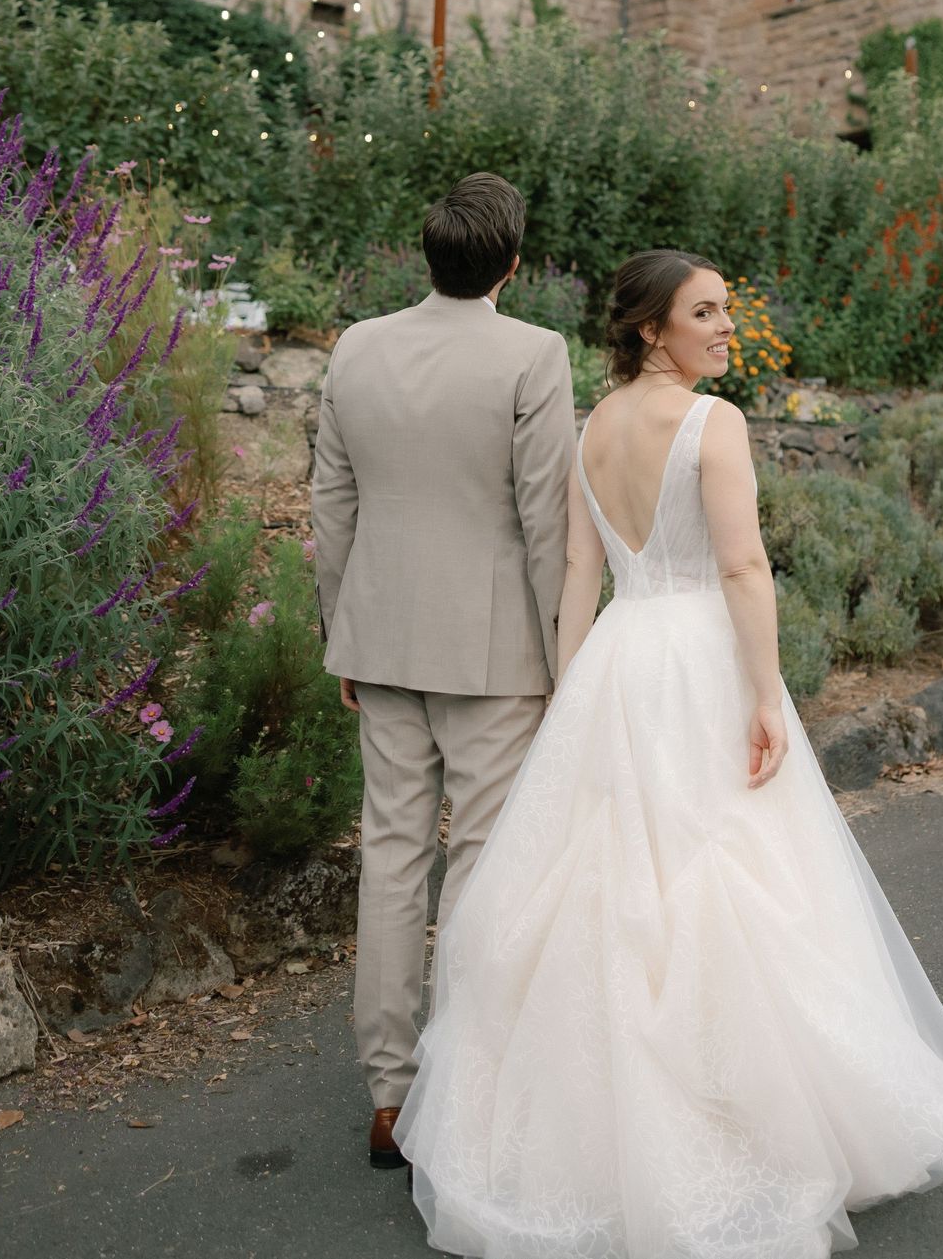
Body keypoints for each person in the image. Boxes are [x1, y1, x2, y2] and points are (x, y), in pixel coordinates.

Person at [393, 247, 943, 1257]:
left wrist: (573, 690)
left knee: (606, 887)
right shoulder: (715, 422)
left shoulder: (593, 427)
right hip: (698, 657)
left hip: (621, 659)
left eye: (726, 310)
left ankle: (594, 1137)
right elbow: (744, 562)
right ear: (649, 329)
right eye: (704, 312)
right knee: (739, 881)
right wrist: (765, 692)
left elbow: (580, 571)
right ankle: (736, 1132)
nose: (726, 327)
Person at [310, 173, 574, 1172]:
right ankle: (460, 1085)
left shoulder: (356, 345)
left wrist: (342, 626)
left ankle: (390, 1095)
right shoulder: (533, 354)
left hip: (380, 640)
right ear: (512, 262)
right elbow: (547, 519)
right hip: (496, 652)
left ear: (429, 255)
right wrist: (566, 660)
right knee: (480, 862)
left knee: (391, 855)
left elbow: (330, 503)